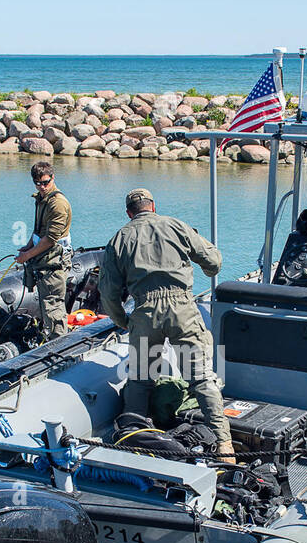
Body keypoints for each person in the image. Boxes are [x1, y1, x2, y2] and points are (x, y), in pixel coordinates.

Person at [99, 188, 234, 461]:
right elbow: (214, 262)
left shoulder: (119, 239)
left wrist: (124, 321)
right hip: (182, 309)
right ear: (153, 206)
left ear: (129, 213)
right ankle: (223, 444)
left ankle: (134, 439)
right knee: (200, 377)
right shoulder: (176, 226)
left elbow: (108, 292)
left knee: (140, 378)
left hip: (145, 312)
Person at [15, 161, 73, 340]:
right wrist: (28, 246)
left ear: (53, 177)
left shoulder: (58, 204)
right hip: (42, 261)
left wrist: (26, 256)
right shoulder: (41, 200)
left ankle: (60, 344)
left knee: (53, 306)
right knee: (45, 304)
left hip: (53, 263)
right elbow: (39, 229)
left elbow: (50, 239)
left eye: (45, 182)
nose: (42, 187)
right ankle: (49, 336)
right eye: (38, 183)